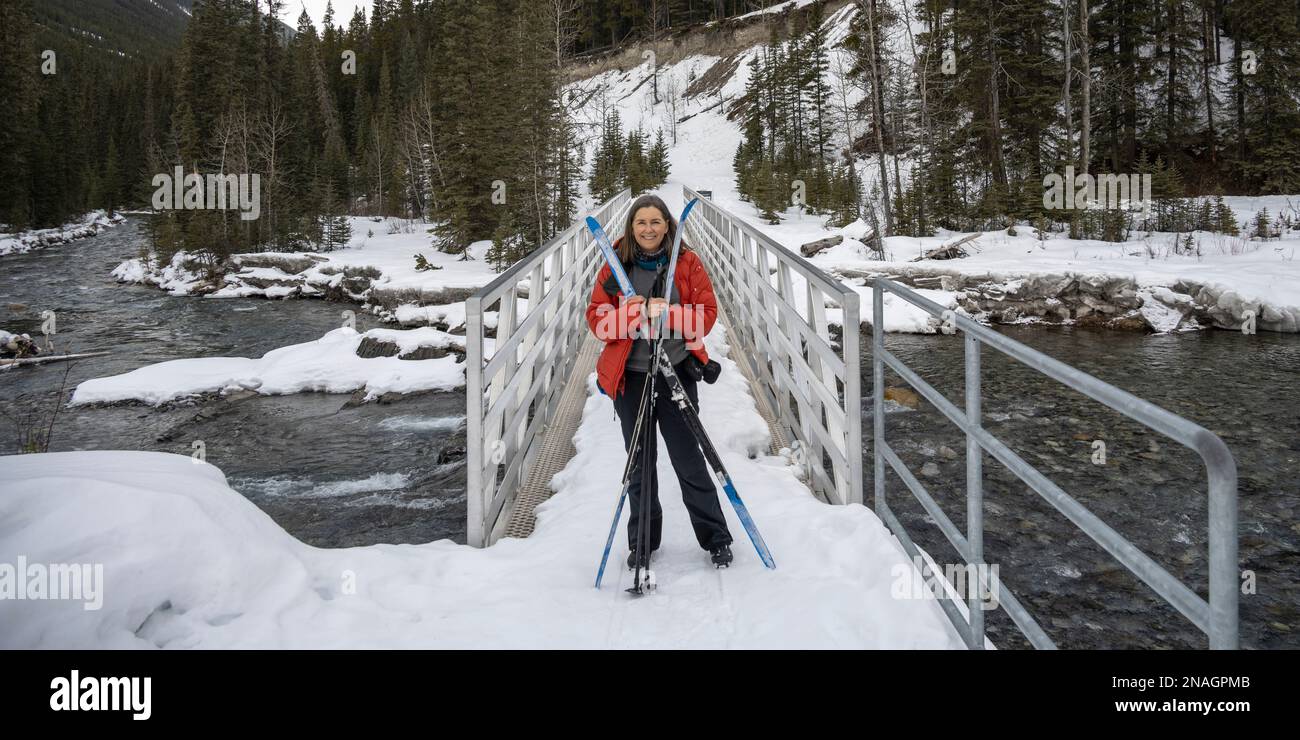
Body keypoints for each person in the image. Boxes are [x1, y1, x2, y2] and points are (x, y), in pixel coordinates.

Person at [584, 194, 734, 569]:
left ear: (667, 225)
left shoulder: (686, 262)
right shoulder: (616, 266)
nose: (649, 229)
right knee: (640, 463)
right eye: (641, 223)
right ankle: (643, 542)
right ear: (631, 228)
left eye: (656, 222)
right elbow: (598, 323)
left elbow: (706, 317)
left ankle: (715, 537)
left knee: (689, 459)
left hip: (675, 370)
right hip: (630, 377)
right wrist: (630, 316)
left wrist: (671, 312)